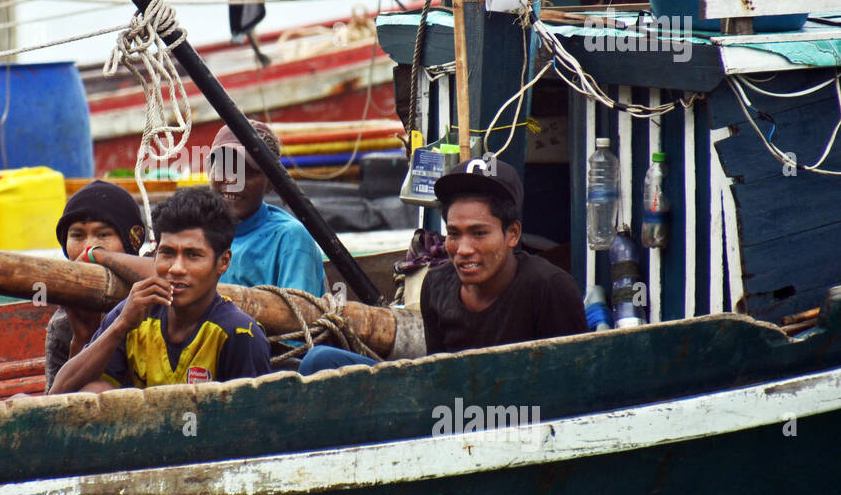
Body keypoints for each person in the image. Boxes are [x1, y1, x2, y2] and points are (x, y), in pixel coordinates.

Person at [298, 157, 588, 372]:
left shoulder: (549, 287)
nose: (462, 249)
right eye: (453, 233)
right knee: (320, 361)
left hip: (517, 418)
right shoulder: (437, 284)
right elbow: (436, 374)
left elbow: (573, 380)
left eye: (479, 233)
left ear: (512, 234)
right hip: (447, 409)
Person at [49, 187, 271, 393]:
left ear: (223, 262)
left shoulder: (240, 333)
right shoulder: (132, 313)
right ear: (154, 256)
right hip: (140, 432)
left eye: (193, 255)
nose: (176, 268)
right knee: (94, 391)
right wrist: (120, 326)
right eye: (167, 253)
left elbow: (252, 424)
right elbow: (58, 394)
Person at [44, 180, 147, 391]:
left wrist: (97, 255)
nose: (88, 247)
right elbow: (56, 406)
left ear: (130, 243)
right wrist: (82, 337)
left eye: (103, 235)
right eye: (77, 236)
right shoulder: (63, 322)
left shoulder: (153, 300)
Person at [206, 120, 326, 296]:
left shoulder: (289, 238)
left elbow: (300, 314)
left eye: (247, 172)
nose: (233, 181)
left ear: (270, 184)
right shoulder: (193, 230)